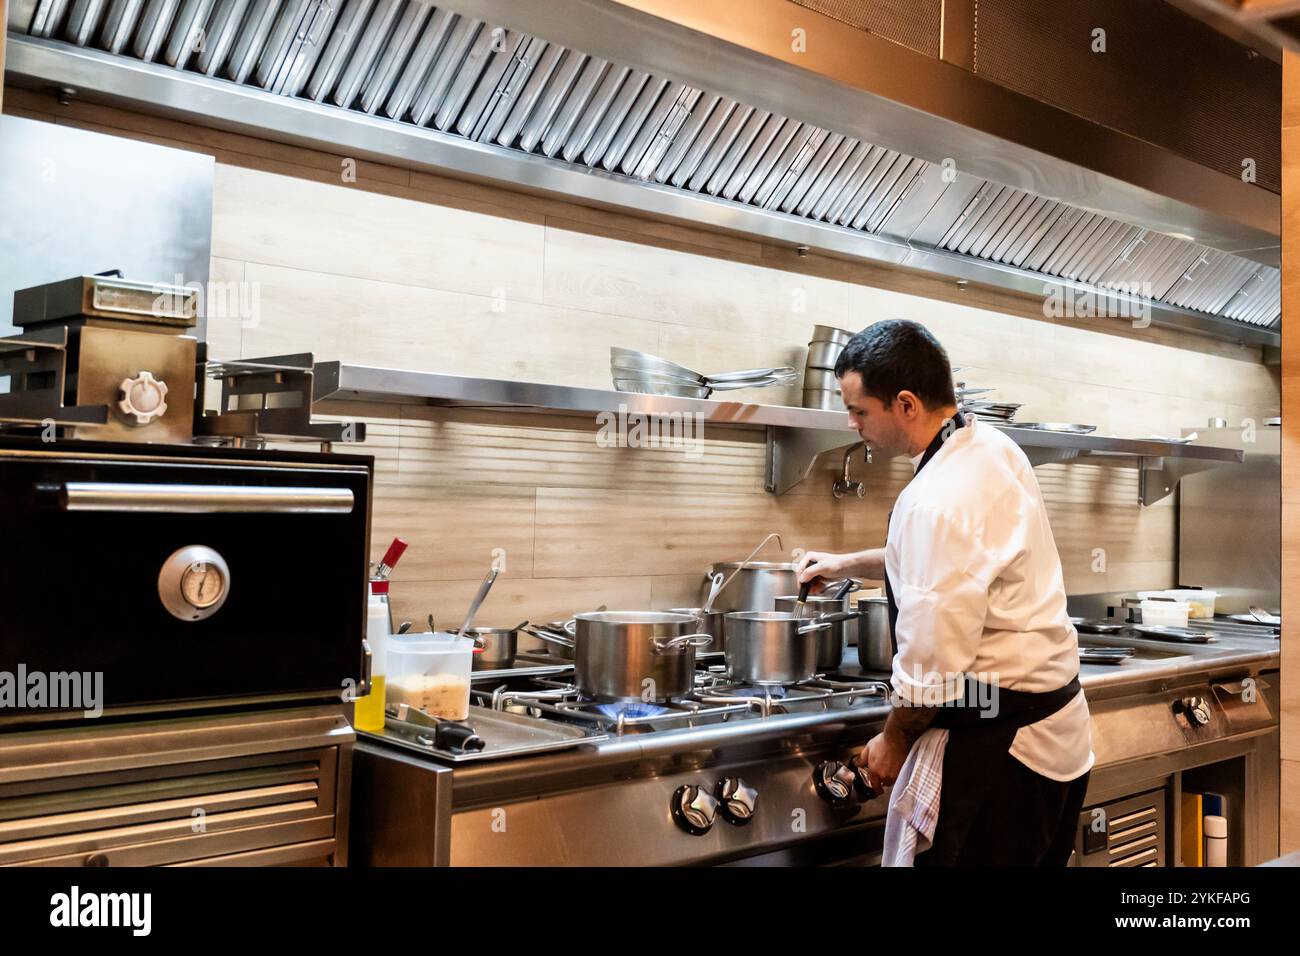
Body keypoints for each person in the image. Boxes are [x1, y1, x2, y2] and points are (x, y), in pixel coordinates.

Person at [795, 319, 1093, 866]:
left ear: (906, 404)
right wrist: (847, 563)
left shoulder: (935, 498)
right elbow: (961, 563)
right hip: (1055, 735)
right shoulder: (990, 447)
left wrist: (892, 742)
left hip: (1003, 754)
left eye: (860, 410)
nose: (851, 422)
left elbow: (933, 664)